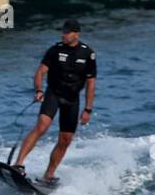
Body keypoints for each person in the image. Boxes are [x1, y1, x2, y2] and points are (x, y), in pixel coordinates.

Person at [12, 20, 97, 184]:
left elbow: (91, 83)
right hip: (54, 94)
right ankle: (18, 164)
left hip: (72, 100)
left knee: (65, 140)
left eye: (67, 32)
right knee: (42, 126)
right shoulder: (55, 50)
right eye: (63, 32)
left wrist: (88, 109)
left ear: (76, 34)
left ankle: (49, 175)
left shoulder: (88, 54)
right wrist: (38, 90)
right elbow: (40, 72)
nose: (64, 35)